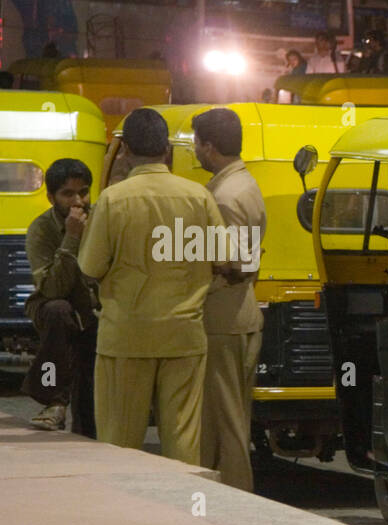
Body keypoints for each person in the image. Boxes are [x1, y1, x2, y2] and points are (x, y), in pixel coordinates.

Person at [78, 108, 228, 464]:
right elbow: (223, 259)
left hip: (126, 337)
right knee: (183, 441)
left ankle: (125, 516)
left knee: (120, 442)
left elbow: (90, 267)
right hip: (184, 336)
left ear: (126, 150)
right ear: (167, 149)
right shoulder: (199, 197)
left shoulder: (114, 200)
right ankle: (180, 514)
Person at [192, 108, 265, 492]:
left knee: (225, 422)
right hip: (243, 314)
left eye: (196, 143)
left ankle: (237, 498)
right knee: (233, 416)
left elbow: (235, 260)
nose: (194, 151)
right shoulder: (246, 183)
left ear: (209, 146)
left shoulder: (222, 196)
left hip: (223, 318)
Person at [22, 159, 97, 434]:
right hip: (51, 304)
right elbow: (53, 287)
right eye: (68, 194)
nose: (78, 201)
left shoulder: (101, 219)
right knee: (59, 312)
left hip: (91, 309)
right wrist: (72, 239)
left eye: (84, 192)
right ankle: (53, 399)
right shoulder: (41, 229)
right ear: (51, 197)